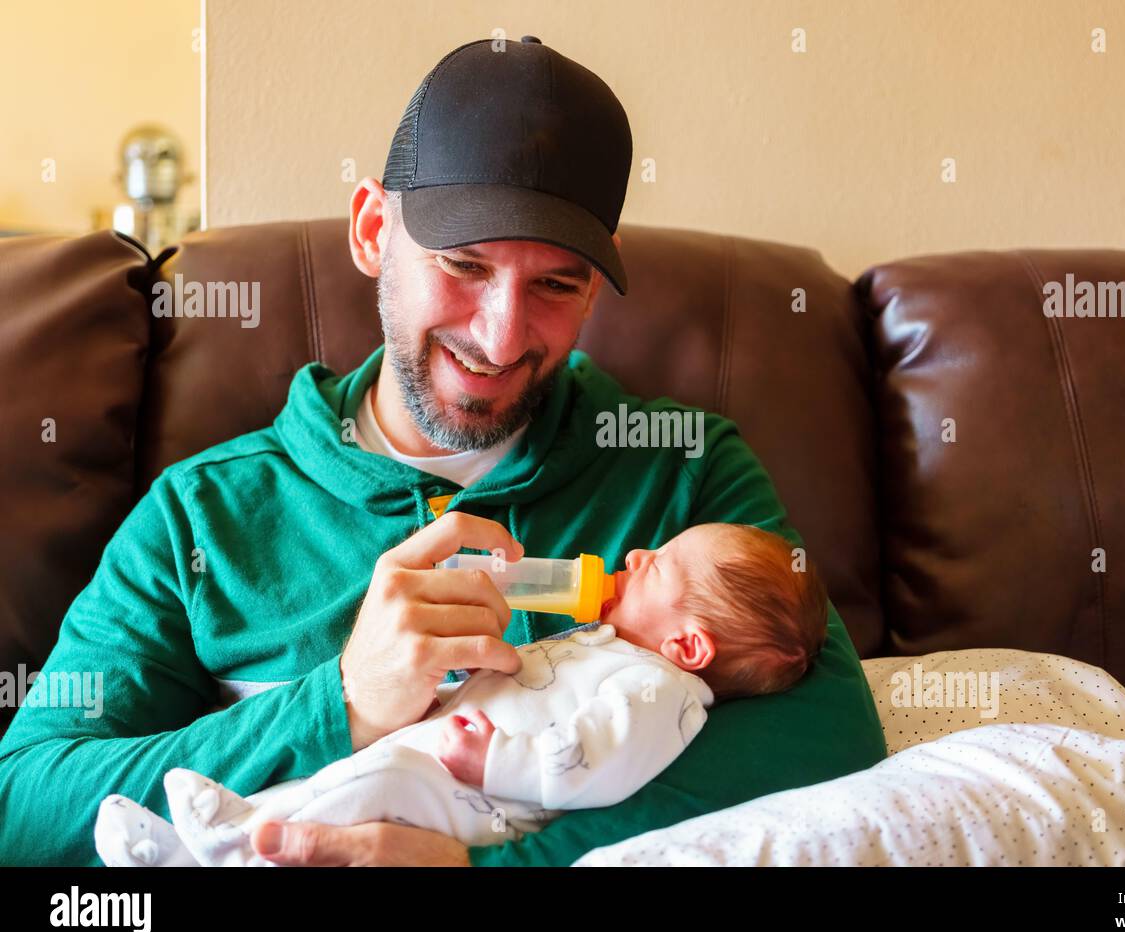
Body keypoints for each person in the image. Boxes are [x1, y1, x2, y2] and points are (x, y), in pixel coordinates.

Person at [0, 35, 887, 867]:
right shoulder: (204, 516)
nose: (502, 338)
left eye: (554, 285)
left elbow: (831, 733)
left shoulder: (683, 471)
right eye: (464, 266)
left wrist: (486, 863)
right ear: (374, 231)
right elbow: (24, 806)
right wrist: (340, 704)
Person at [93, 523, 829, 866]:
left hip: (472, 795)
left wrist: (496, 764)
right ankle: (189, 850)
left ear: (689, 648)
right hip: (433, 750)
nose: (638, 553)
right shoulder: (613, 649)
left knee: (367, 786)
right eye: (464, 264)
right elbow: (21, 805)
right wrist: (355, 699)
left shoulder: (659, 692)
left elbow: (591, 763)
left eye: (659, 567)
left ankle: (243, 848)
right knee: (336, 777)